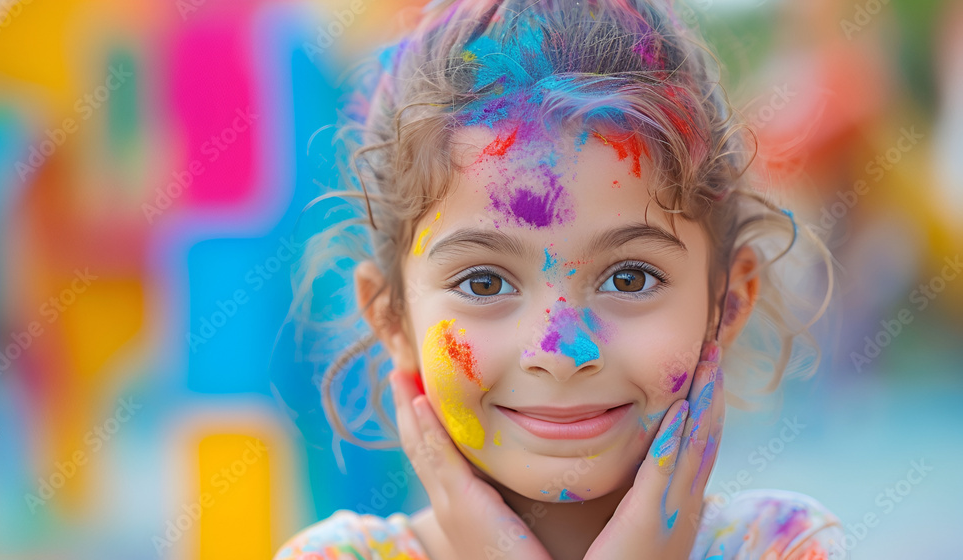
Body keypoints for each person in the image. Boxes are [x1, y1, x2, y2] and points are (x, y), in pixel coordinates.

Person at [276, 0, 843, 557]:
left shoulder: (784, 545)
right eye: (485, 284)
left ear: (728, 301)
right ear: (391, 317)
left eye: (628, 278)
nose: (561, 351)